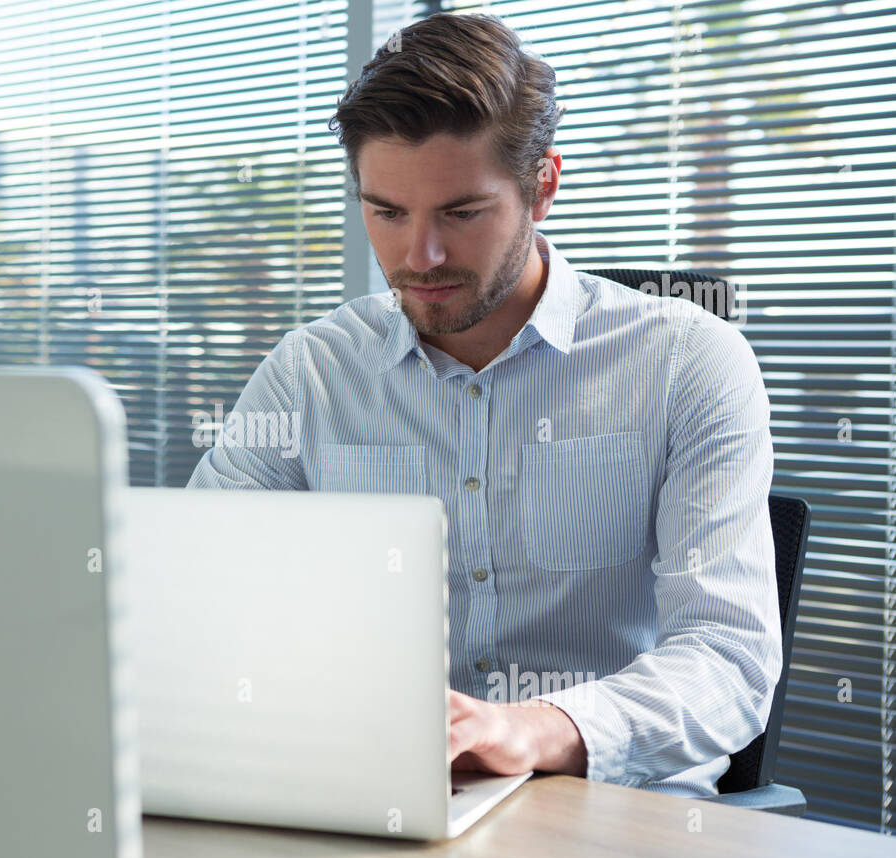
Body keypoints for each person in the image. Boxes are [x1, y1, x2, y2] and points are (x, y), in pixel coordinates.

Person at [186, 12, 781, 798]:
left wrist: (527, 729)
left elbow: (728, 660)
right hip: (375, 796)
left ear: (543, 186)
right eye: (387, 213)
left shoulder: (687, 362)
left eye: (460, 214)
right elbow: (196, 599)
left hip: (609, 810)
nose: (417, 257)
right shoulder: (312, 371)